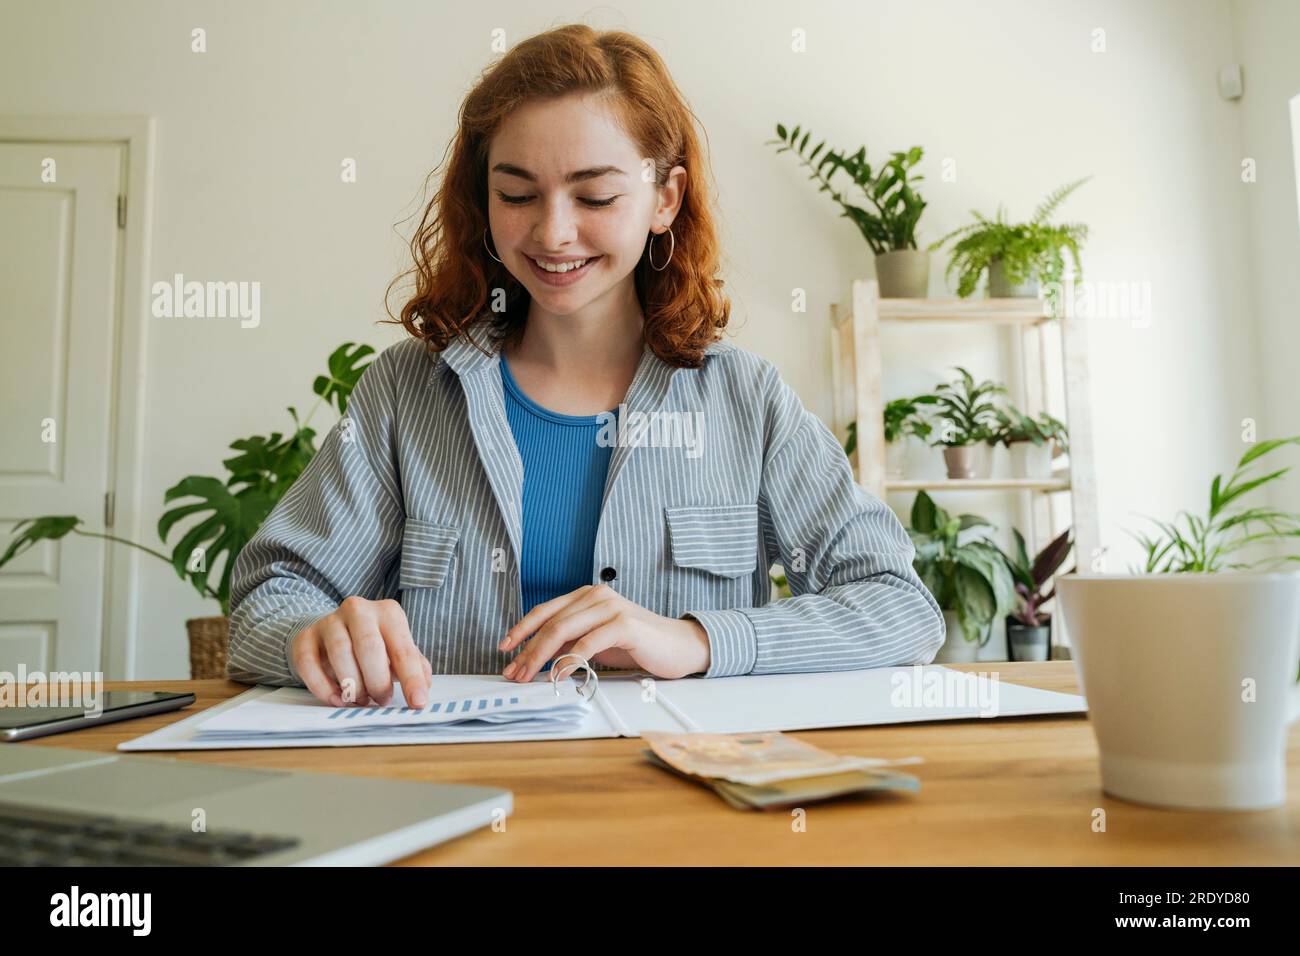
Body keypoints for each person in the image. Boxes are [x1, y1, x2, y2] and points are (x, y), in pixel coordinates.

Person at [227, 24, 944, 710]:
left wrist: (694, 640)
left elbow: (900, 607)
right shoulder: (403, 393)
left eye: (595, 195)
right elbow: (269, 595)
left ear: (665, 198)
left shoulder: (747, 400)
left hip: (678, 809)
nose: (552, 232)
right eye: (516, 194)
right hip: (457, 797)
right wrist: (310, 636)